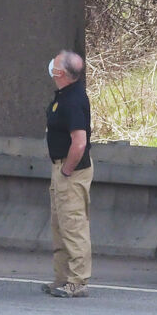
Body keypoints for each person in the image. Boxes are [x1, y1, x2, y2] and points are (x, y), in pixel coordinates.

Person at [44, 50, 93, 299]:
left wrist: (66, 171)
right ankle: (62, 277)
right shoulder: (63, 95)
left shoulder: (73, 100)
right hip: (61, 167)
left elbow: (79, 142)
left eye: (55, 61)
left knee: (73, 226)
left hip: (71, 170)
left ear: (60, 72)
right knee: (60, 225)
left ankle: (78, 281)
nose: (51, 63)